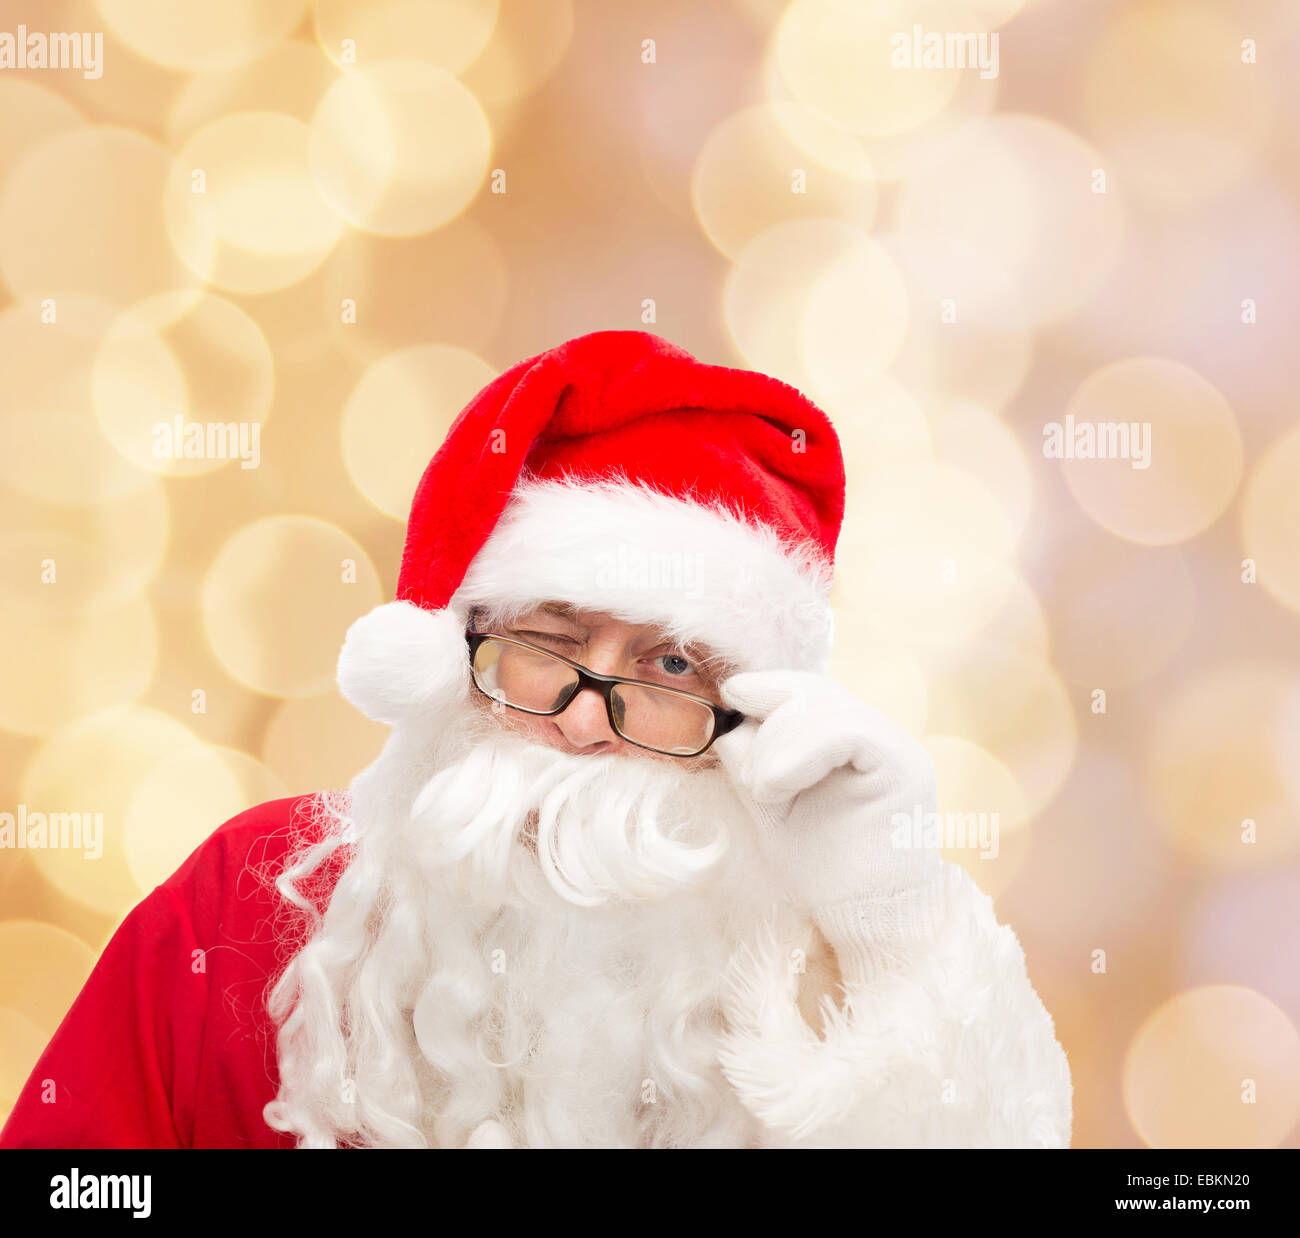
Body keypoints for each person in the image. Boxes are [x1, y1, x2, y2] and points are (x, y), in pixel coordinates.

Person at [0, 330, 1072, 1149]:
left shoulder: (806, 963)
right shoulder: (249, 899)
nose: (578, 716)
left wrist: (888, 930)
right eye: (546, 641)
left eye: (667, 669)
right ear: (455, 655)